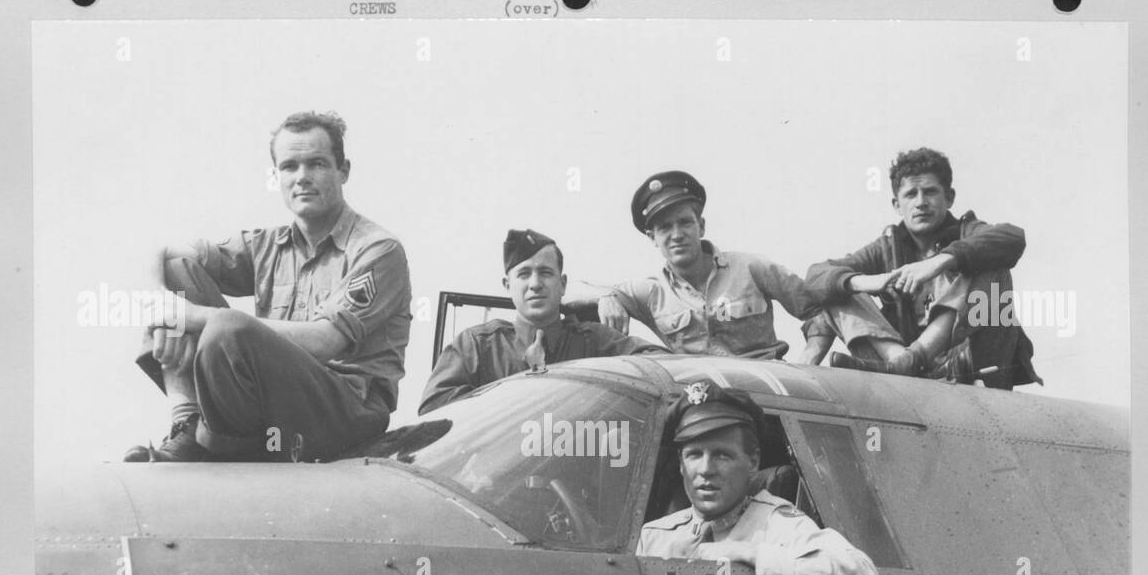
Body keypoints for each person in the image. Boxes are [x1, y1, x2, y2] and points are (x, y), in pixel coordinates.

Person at [124, 110, 412, 462]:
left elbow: (324, 341)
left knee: (226, 327)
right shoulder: (267, 244)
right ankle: (188, 425)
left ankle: (214, 444)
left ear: (344, 170)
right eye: (290, 166)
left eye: (317, 164)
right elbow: (159, 250)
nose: (302, 177)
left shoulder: (377, 249)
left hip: (345, 412)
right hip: (278, 401)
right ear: (277, 176)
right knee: (176, 270)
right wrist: (161, 307)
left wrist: (190, 315)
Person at [800, 147, 1040, 388]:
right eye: (911, 194)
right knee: (836, 287)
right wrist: (865, 282)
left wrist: (938, 262)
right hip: (908, 376)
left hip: (973, 364)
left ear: (950, 198)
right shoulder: (887, 247)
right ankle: (899, 360)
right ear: (897, 205)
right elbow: (815, 276)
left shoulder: (969, 232)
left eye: (930, 192)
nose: (921, 202)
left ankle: (912, 358)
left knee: (991, 265)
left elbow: (1013, 237)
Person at [636, 383, 882, 575]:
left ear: (752, 462)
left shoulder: (777, 523)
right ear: (680, 464)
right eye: (694, 455)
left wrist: (749, 553)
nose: (705, 469)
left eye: (722, 455)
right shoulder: (654, 537)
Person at [597, 170, 845, 359]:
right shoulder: (651, 292)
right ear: (653, 238)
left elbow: (818, 311)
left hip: (771, 393)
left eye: (685, 222)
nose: (676, 234)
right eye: (664, 228)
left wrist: (807, 363)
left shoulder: (752, 268)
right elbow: (571, 289)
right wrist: (607, 296)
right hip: (703, 402)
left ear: (701, 226)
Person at [419, 228, 661, 414]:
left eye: (545, 273)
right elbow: (434, 407)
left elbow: (660, 365)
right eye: (524, 274)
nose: (535, 283)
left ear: (563, 284)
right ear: (507, 286)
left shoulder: (595, 341)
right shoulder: (477, 346)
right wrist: (514, 399)